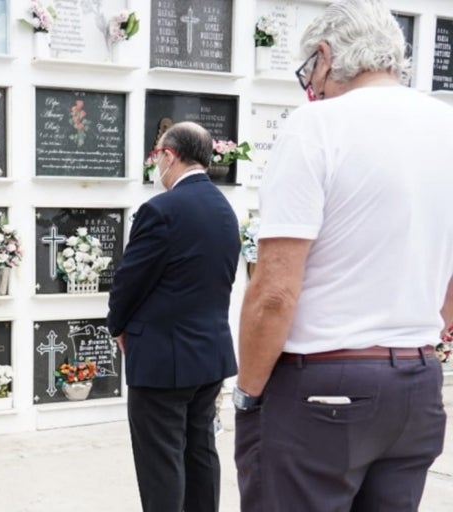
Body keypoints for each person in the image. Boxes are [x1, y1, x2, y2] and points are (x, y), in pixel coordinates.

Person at [234, 1, 453, 510]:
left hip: (323, 385)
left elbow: (274, 293)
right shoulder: (447, 127)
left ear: (325, 57)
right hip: (417, 383)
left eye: (307, 71)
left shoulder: (317, 125)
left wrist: (248, 393)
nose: (310, 85)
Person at [106, 121, 239, 512]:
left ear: (169, 155)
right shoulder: (224, 209)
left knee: (160, 461)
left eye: (157, 155)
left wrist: (118, 327)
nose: (156, 164)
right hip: (209, 355)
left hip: (162, 358)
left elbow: (130, 281)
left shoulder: (161, 210)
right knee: (200, 451)